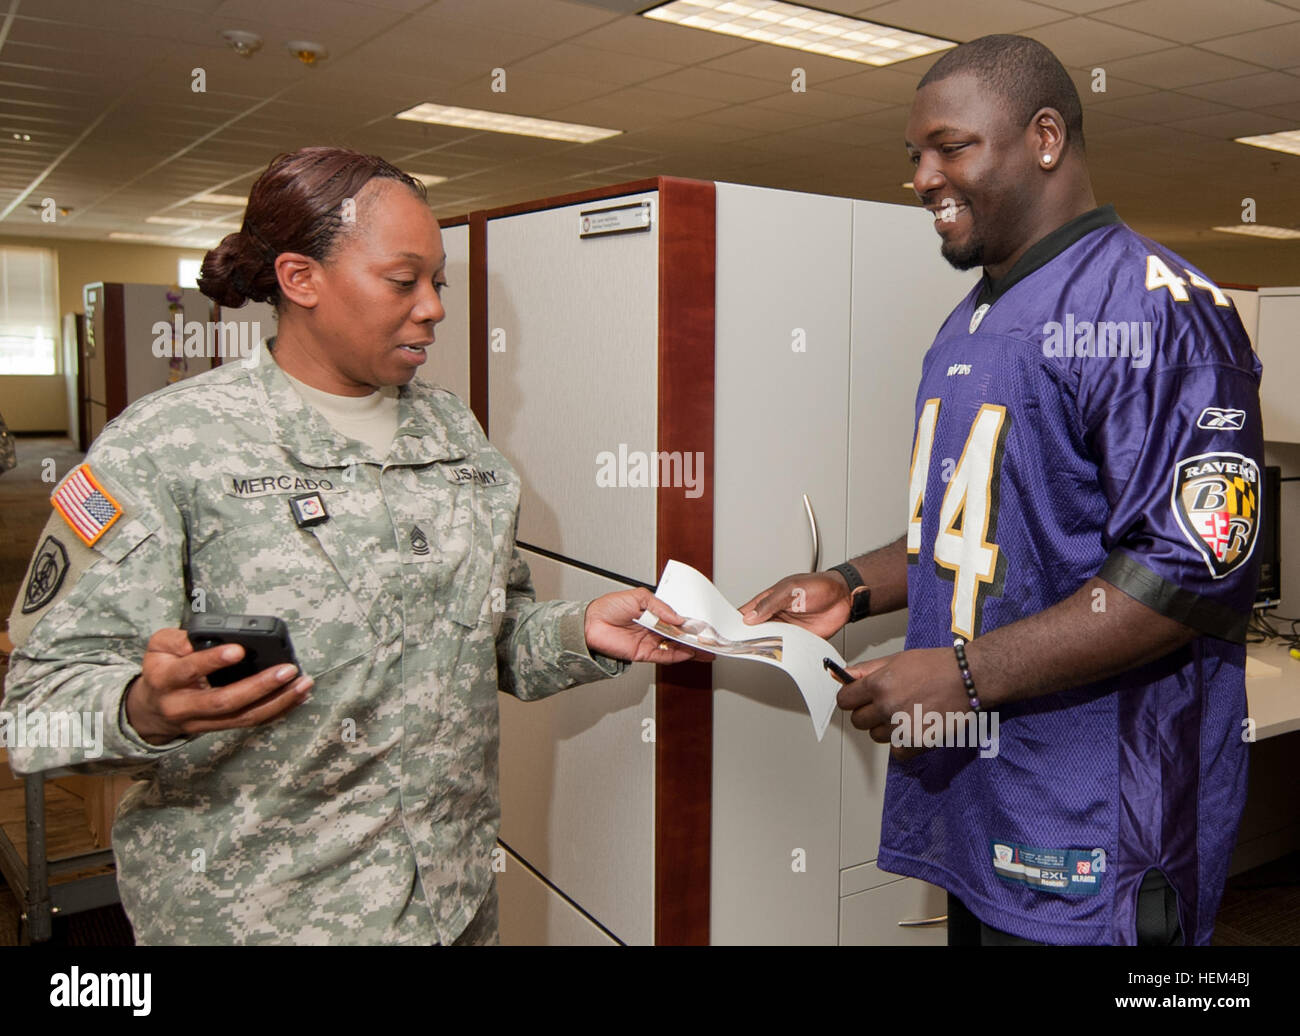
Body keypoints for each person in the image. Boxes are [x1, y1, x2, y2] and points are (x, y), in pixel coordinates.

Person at [2, 146, 698, 946]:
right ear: (301, 279)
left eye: (440, 282)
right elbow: (34, 714)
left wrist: (580, 630)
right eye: (404, 281)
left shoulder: (454, 436)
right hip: (261, 921)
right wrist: (146, 711)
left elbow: (488, 633)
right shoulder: (166, 447)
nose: (434, 308)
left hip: (452, 901)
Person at [741, 35, 1264, 947]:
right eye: (914, 156)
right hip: (985, 807)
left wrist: (963, 674)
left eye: (951, 147)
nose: (921, 177)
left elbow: (1188, 575)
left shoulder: (1156, 311)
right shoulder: (974, 315)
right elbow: (987, 526)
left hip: (1099, 829)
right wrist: (854, 585)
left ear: (1046, 137)